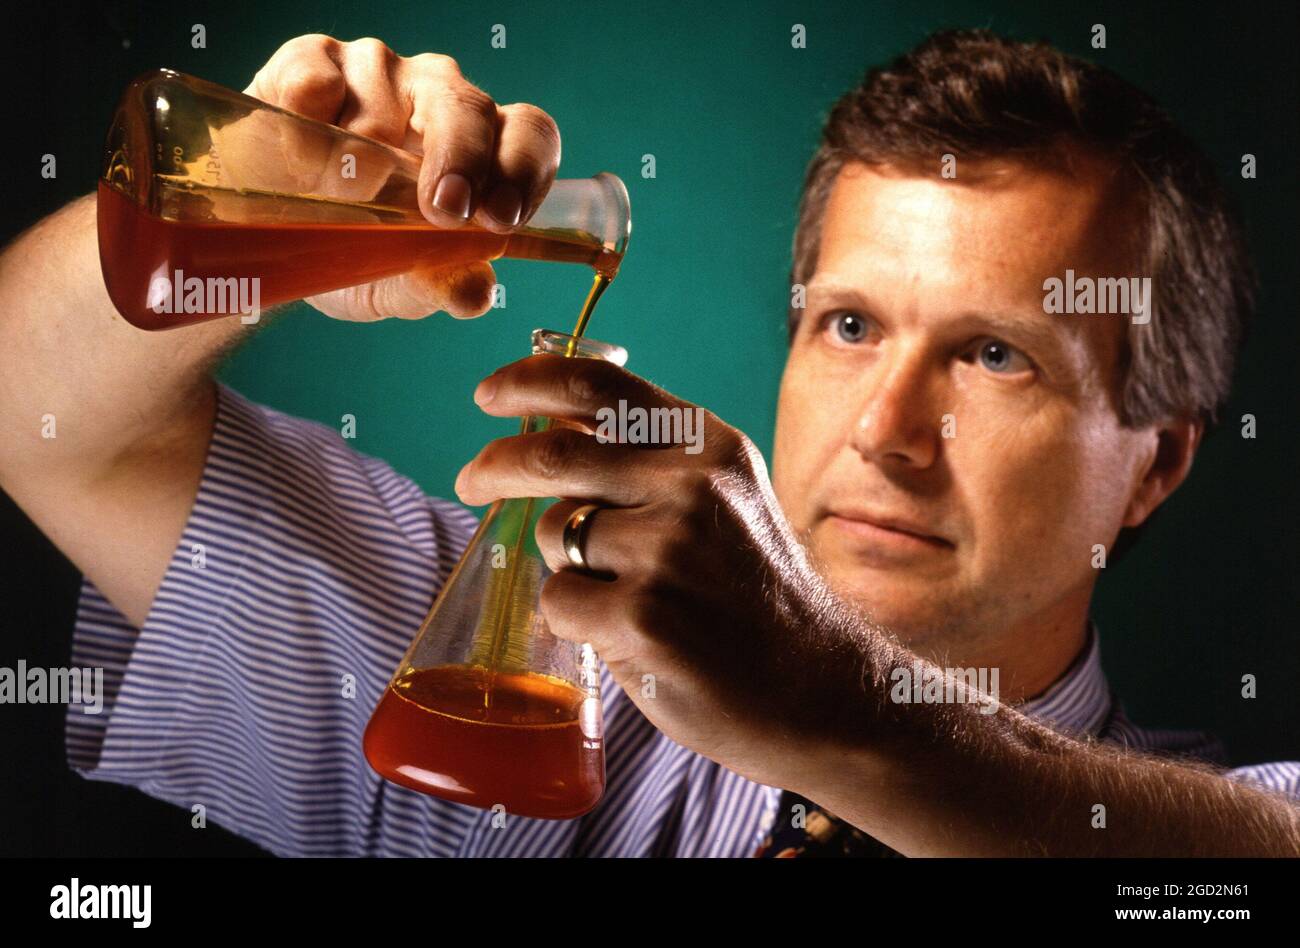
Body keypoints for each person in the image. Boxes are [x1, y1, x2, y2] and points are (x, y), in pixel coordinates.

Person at [0, 31, 1295, 858]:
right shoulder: (499, 682)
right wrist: (255, 217)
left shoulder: (1204, 836)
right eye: (848, 325)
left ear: (1159, 467)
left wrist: (833, 705)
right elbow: (36, 417)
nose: (886, 433)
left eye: (997, 355)